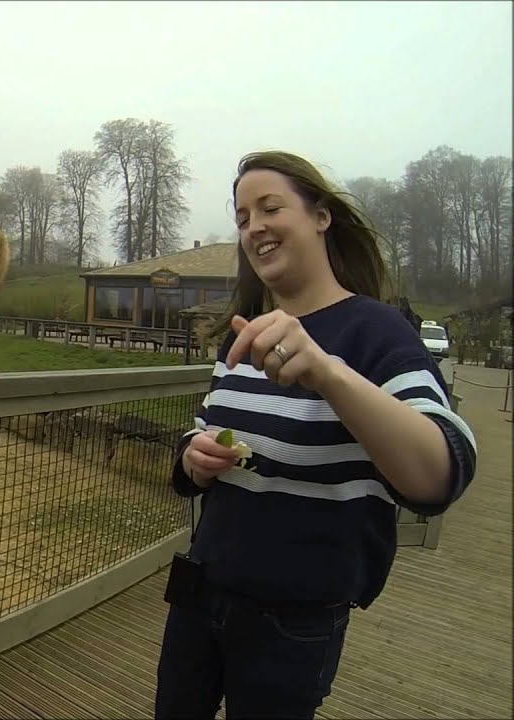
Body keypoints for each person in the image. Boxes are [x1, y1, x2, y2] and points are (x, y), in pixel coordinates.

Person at [155, 151, 478, 719]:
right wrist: (192, 457)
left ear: (321, 216)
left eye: (270, 207)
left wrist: (328, 371)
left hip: (292, 619)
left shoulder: (375, 330)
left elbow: (441, 473)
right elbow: (205, 429)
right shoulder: (248, 329)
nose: (255, 226)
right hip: (199, 594)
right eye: (242, 217)